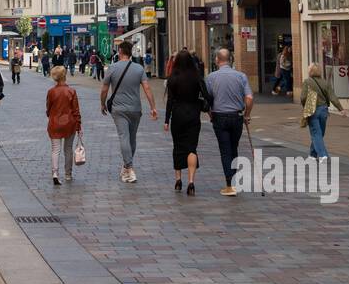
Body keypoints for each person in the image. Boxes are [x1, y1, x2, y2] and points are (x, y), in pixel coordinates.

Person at [100, 40, 158, 184]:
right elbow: (147, 88)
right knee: (132, 138)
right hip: (135, 109)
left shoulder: (112, 68)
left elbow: (104, 89)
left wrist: (102, 103)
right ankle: (127, 166)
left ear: (120, 52)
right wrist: (153, 107)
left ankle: (129, 168)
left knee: (124, 137)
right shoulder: (139, 69)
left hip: (119, 110)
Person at [204, 48, 253, 197]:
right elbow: (249, 98)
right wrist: (247, 115)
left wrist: (210, 113)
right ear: (230, 60)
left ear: (217, 60)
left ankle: (229, 184)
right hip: (236, 116)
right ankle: (233, 179)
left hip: (219, 117)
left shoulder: (211, 78)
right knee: (234, 147)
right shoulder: (241, 76)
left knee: (225, 150)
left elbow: (207, 100)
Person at [164, 49, 208, 195]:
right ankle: (191, 182)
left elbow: (170, 101)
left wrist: (166, 121)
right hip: (193, 115)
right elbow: (207, 96)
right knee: (191, 148)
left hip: (177, 115)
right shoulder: (197, 77)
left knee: (178, 146)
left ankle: (178, 180)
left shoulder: (173, 78)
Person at [46, 65, 82, 185]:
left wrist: (51, 115)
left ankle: (55, 173)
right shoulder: (71, 91)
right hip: (69, 123)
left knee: (55, 150)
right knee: (68, 149)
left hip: (55, 123)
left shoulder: (51, 92)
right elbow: (76, 110)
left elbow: (48, 109)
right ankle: (68, 174)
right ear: (65, 76)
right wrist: (79, 126)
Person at [299, 63, 342, 159]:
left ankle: (323, 155)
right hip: (323, 110)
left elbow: (303, 97)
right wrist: (341, 109)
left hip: (313, 110)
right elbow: (332, 97)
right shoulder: (325, 82)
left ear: (310, 72)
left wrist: (305, 106)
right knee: (319, 133)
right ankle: (312, 155)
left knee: (316, 133)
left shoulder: (307, 82)